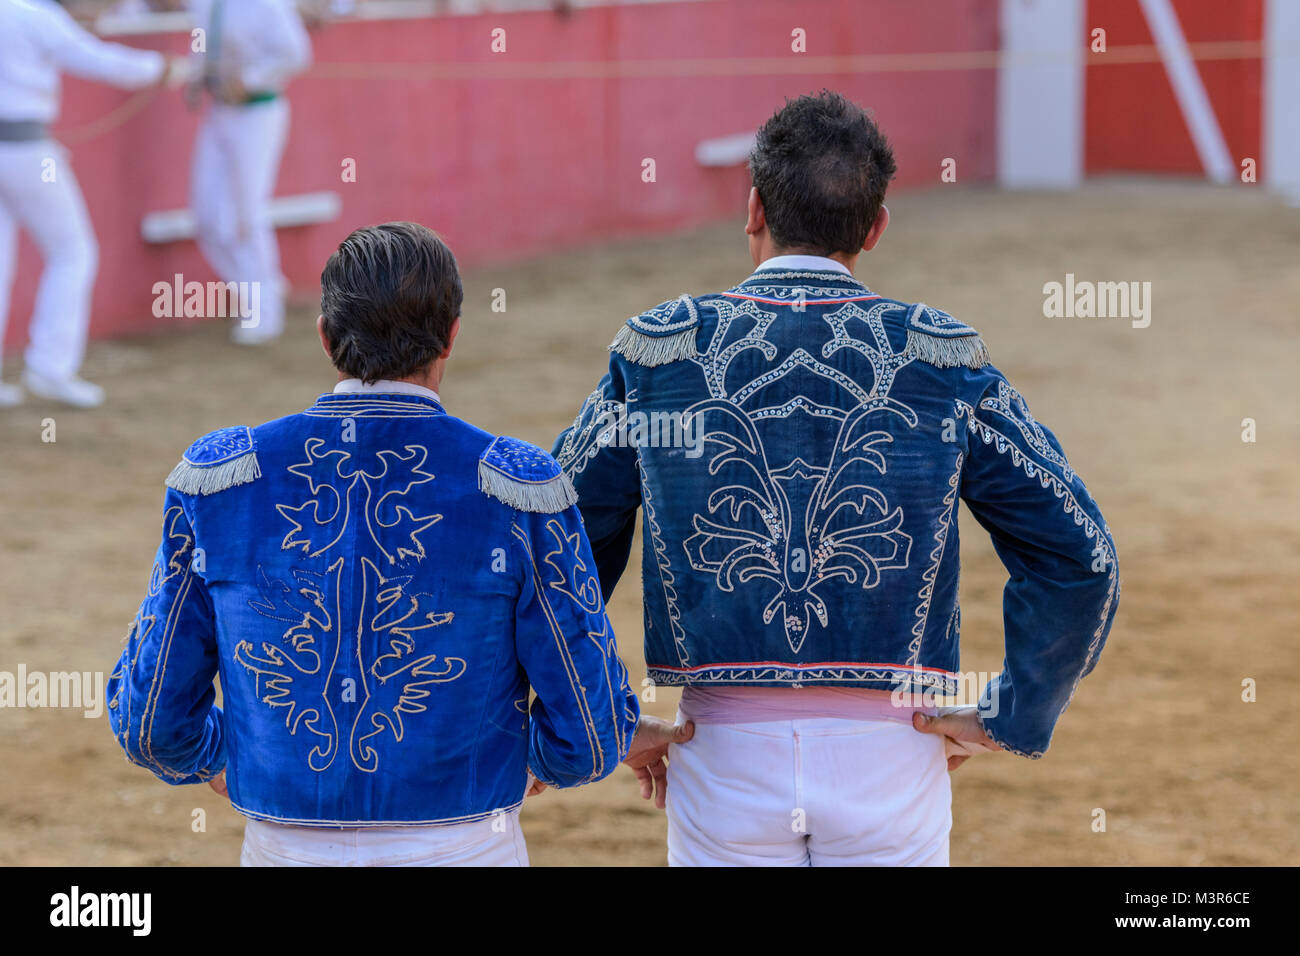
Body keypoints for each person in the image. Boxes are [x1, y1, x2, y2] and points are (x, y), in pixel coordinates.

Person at [552, 91, 1120, 866]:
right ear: (877, 226)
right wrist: (1010, 712)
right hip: (891, 753)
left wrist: (607, 720)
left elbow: (551, 549)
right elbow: (1080, 556)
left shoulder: (659, 352)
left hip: (719, 752)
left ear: (752, 207)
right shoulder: (938, 356)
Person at [108, 222, 691, 866]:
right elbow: (588, 726)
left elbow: (151, 721)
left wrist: (224, 760)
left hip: (285, 850)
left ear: (326, 339)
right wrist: (528, 767)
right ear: (451, 337)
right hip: (464, 847)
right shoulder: (517, 487)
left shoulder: (221, 478)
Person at [0, 0, 182, 408]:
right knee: (72, 251)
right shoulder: (36, 16)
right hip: (26, 149)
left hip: (18, 147)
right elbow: (97, 59)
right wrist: (162, 69)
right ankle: (50, 367)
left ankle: (48, 367)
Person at [187, 0, 312, 345]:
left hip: (258, 113)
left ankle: (264, 310)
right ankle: (262, 289)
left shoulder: (267, 5)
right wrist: (196, 75)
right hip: (219, 111)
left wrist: (250, 79)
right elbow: (200, 40)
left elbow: (297, 53)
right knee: (207, 215)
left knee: (248, 212)